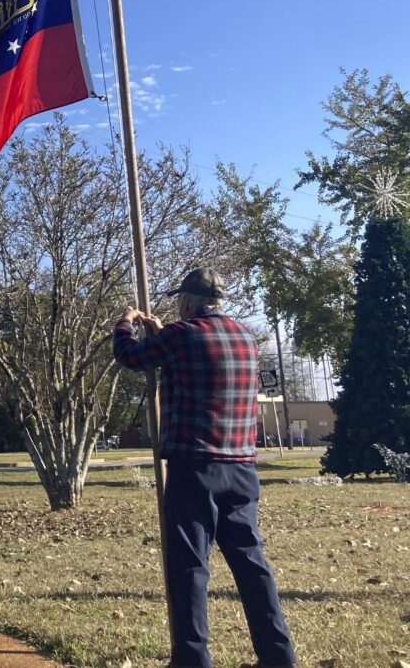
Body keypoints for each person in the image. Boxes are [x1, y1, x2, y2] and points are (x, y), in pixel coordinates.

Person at [113, 267, 297, 668]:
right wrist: (163, 331)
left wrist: (124, 323)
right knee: (251, 563)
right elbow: (194, 358)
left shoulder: (181, 336)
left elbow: (130, 357)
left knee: (190, 566)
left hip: (194, 465)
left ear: (186, 302)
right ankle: (278, 657)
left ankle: (192, 659)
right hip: (242, 467)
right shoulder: (247, 337)